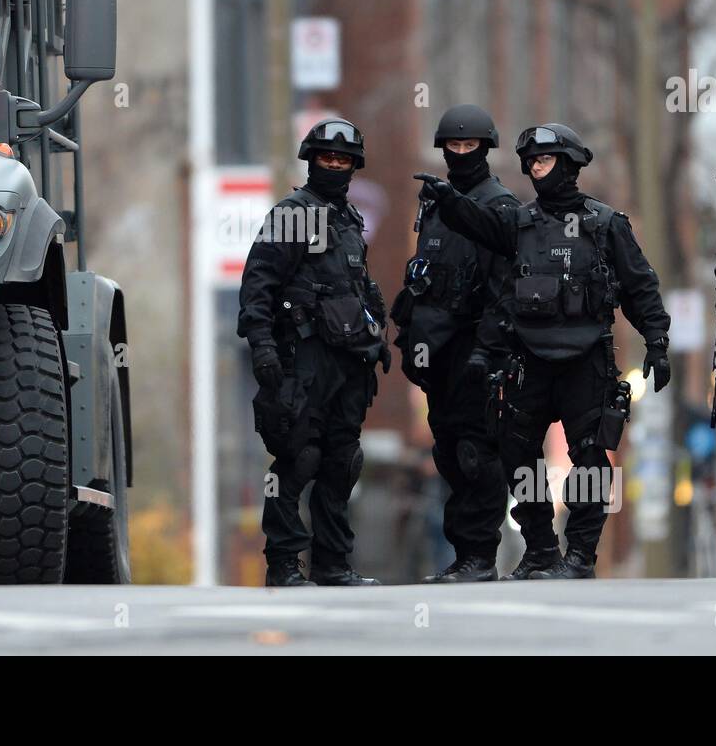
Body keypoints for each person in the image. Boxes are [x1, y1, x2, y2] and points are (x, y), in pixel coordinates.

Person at [415, 123, 671, 579]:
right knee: (518, 456)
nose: (536, 169)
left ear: (569, 165)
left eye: (545, 160)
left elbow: (640, 286)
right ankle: (540, 550)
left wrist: (658, 341)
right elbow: (482, 229)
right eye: (531, 162)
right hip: (529, 360)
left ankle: (580, 556)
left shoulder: (605, 224)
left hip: (586, 359)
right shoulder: (519, 223)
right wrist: (450, 200)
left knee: (590, 458)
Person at [237, 118, 389, 587]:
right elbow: (257, 286)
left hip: (348, 362)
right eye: (327, 158)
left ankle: (332, 564)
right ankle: (284, 565)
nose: (336, 165)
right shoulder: (292, 214)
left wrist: (376, 336)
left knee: (342, 462)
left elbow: (356, 287)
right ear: (311, 160)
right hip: (301, 360)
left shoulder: (350, 220)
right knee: (298, 459)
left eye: (344, 159)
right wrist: (262, 347)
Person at [393, 105, 518, 582]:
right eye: (454, 146)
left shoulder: (499, 206)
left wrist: (487, 352)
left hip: (477, 350)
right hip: (439, 352)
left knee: (476, 452)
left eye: (470, 147)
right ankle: (463, 555)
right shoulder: (433, 204)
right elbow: (424, 281)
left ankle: (480, 556)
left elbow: (504, 289)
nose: (461, 154)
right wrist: (411, 341)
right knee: (447, 453)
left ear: (485, 149)